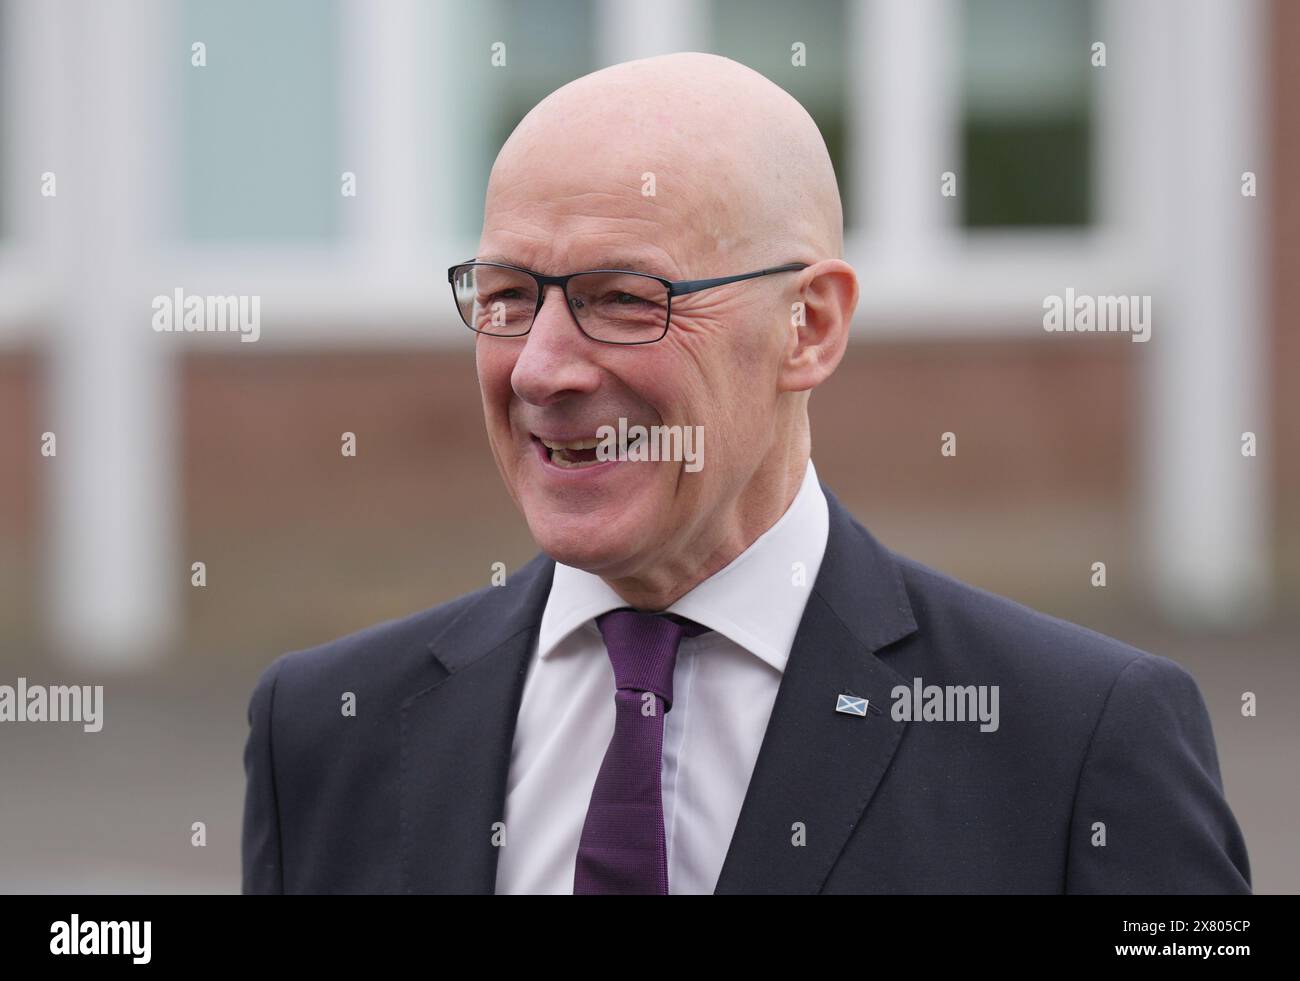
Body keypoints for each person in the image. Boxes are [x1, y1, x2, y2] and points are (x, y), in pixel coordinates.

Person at [241, 52, 1250, 894]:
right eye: (507, 296)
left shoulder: (1074, 741)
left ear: (807, 327)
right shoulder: (327, 731)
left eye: (623, 298)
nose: (542, 367)